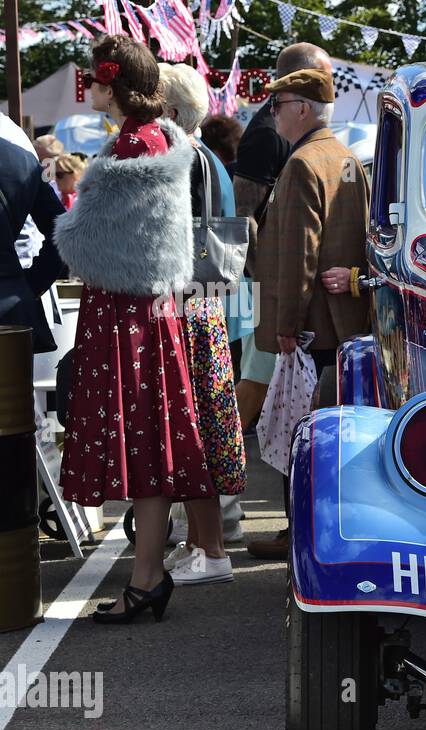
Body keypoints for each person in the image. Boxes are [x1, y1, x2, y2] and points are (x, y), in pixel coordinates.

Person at [55, 34, 213, 624]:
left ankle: (147, 575)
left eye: (95, 81)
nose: (90, 90)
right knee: (153, 443)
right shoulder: (162, 139)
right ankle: (147, 575)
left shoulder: (128, 147)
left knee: (143, 443)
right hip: (151, 312)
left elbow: (78, 240)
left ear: (112, 85)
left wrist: (70, 224)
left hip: (122, 313)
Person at [247, 68, 370, 560]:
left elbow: (298, 253)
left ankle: (299, 531)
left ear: (301, 108)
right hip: (343, 321)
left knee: (300, 429)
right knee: (335, 433)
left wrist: (285, 326)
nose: (273, 115)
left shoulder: (302, 164)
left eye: (277, 105)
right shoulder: (345, 158)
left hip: (311, 326)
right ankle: (323, 529)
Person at [155, 62, 247, 586]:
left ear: (167, 109)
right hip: (205, 303)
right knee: (202, 424)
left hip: (187, 305)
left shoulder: (183, 157)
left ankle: (209, 549)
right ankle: (201, 544)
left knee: (194, 427)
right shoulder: (207, 156)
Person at [231, 43, 331, 449]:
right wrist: (269, 285)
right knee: (256, 377)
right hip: (263, 287)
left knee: (269, 378)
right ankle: (215, 468)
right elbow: (244, 215)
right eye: (323, 80)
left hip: (276, 284)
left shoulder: (279, 129)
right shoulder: (267, 133)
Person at [0, 139, 65, 351]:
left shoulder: (24, 159)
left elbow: (62, 231)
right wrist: (28, 286)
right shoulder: (23, 159)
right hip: (10, 303)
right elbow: (62, 230)